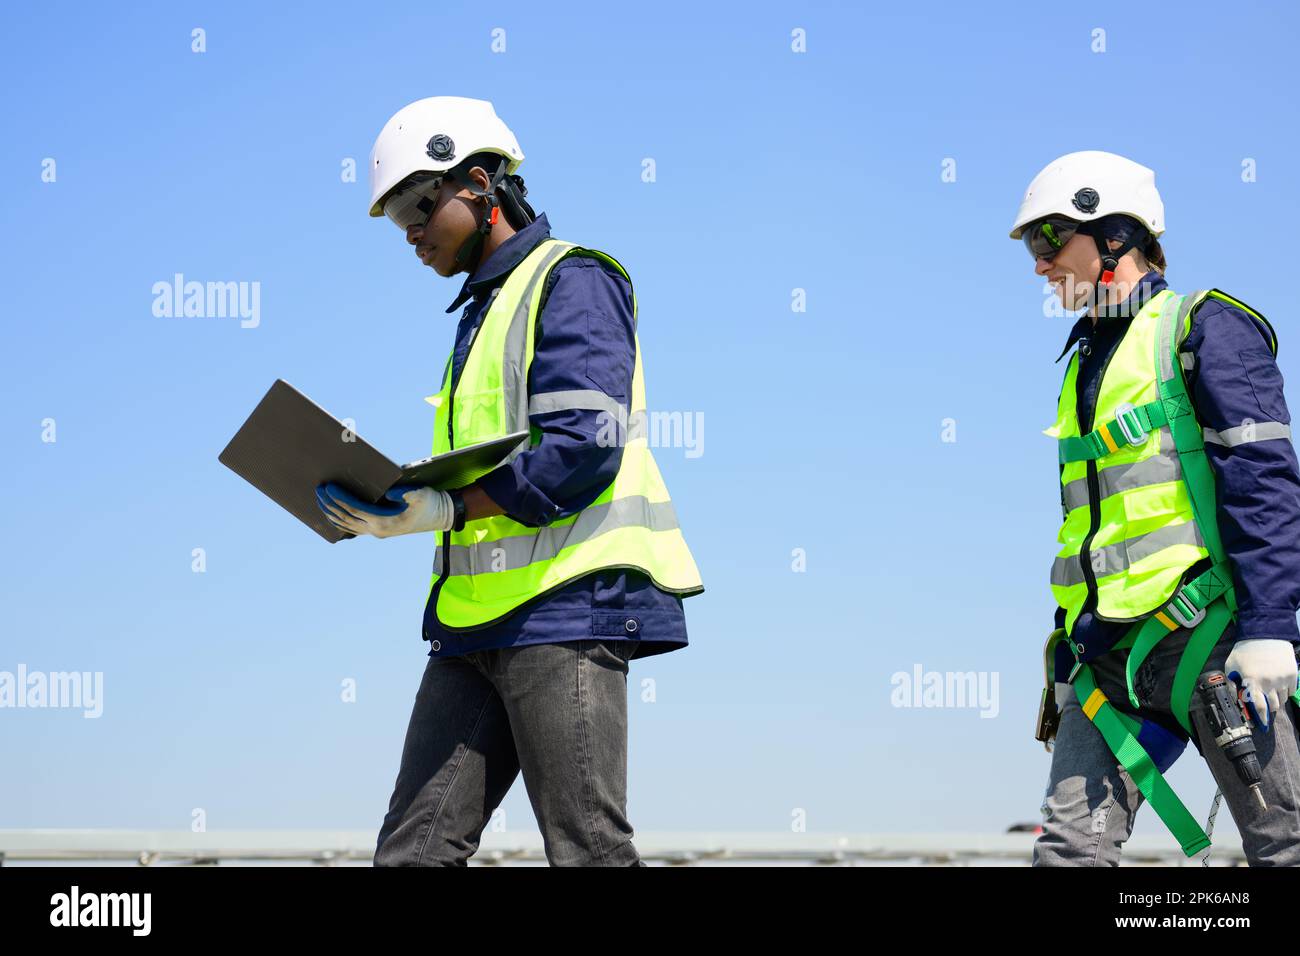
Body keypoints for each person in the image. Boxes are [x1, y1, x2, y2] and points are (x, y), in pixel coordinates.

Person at [315, 96, 705, 866]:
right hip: (472, 627)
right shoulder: (481, 314)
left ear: (480, 184)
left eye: (417, 210)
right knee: (412, 854)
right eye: (400, 222)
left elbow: (583, 447)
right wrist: (402, 503)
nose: (413, 236)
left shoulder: (574, 280)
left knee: (587, 849)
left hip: (566, 610)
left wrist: (444, 505)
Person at [1011, 150, 1300, 865]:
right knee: (1070, 853)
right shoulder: (1083, 360)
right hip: (1104, 657)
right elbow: (1091, 521)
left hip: (1209, 643)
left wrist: (1270, 627)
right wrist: (1064, 637)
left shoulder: (1204, 327)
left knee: (1285, 846)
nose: (1041, 264)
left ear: (1116, 235)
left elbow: (1264, 480)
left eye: (1051, 240)